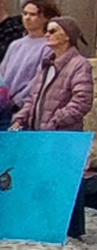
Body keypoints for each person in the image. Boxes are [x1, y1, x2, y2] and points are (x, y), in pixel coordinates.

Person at [13, 14, 94, 237]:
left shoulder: (78, 65)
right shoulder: (47, 63)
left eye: (52, 31)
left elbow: (82, 101)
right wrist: (21, 117)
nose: (47, 35)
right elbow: (33, 97)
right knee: (44, 180)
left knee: (67, 181)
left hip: (64, 134)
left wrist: (55, 120)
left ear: (66, 36)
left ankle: (72, 231)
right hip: (40, 132)